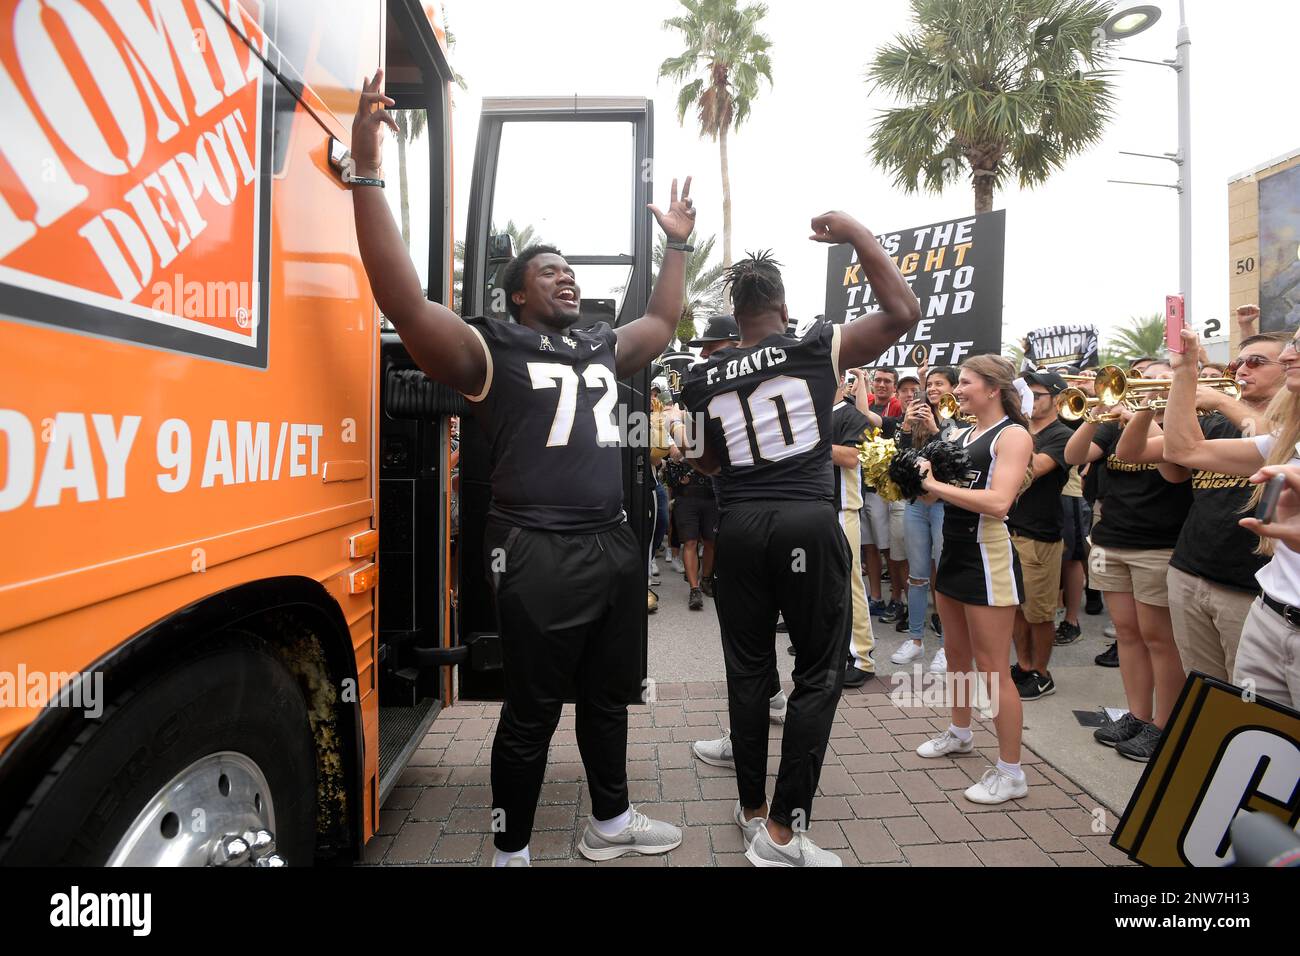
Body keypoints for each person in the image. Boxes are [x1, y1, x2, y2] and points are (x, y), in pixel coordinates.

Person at [349, 71, 697, 864]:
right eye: (549, 269)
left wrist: (675, 243)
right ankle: (511, 850)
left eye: (572, 268)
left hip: (610, 542)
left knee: (608, 698)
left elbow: (666, 319)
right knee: (534, 708)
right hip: (535, 547)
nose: (568, 275)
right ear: (513, 296)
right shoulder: (488, 348)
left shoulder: (603, 343)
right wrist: (368, 173)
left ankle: (609, 824)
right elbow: (403, 303)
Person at [684, 211, 920, 866]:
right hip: (806, 519)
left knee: (748, 670)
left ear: (736, 314)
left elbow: (703, 462)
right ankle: (783, 834)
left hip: (739, 526)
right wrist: (858, 235)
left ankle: (751, 809)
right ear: (782, 309)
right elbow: (903, 310)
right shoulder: (815, 343)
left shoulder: (704, 376)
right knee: (818, 673)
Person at [1116, 333, 1285, 685]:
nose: (1241, 370)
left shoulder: (1285, 429)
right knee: (1204, 686)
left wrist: (1221, 400)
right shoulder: (1210, 422)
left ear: (1287, 370)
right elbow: (1134, 453)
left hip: (1248, 583)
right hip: (1191, 570)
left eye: (1256, 362)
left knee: (1251, 695)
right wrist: (1153, 401)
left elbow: (1280, 442)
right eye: (1239, 362)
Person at [913, 355, 1034, 804]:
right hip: (956, 554)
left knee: (993, 668)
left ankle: (1011, 772)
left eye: (964, 383)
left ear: (992, 388)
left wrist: (934, 487)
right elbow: (934, 499)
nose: (956, 390)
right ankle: (960, 732)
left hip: (989, 559)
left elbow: (999, 502)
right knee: (958, 657)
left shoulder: (1014, 435)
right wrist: (909, 480)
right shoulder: (963, 434)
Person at [1159, 326, 1300, 710]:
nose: (1290, 354)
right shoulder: (1287, 439)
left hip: (1254, 598)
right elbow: (1182, 449)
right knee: (1246, 726)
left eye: (1297, 346)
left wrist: (1218, 399)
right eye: (1290, 345)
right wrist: (1186, 370)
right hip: (1270, 615)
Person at [1063, 365, 1192, 762]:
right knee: (1127, 634)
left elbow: (1174, 471)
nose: (1145, 387)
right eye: (1137, 378)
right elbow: (1074, 455)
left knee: (1159, 639)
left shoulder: (1185, 423)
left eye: (1155, 379)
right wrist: (1095, 414)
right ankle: (1137, 714)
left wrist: (1145, 416)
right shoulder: (1113, 424)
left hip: (1158, 544)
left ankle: (1163, 724)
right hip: (1112, 539)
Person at [1007, 371, 1074, 700]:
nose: (1029, 400)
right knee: (1016, 608)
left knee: (1039, 612)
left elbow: (1032, 468)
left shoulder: (1062, 434)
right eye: (1025, 394)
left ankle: (1042, 672)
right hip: (1011, 529)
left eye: (1038, 395)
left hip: (1039, 535)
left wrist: (1016, 431)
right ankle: (1023, 664)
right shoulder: (1019, 430)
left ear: (1057, 400)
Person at [890, 366, 958, 671]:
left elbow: (957, 456)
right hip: (917, 504)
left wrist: (936, 427)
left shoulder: (961, 419)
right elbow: (897, 458)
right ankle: (916, 640)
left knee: (945, 575)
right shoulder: (916, 417)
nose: (931, 388)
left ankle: (948, 647)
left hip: (945, 506)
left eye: (939, 383)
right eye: (929, 383)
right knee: (917, 575)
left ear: (953, 387)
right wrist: (906, 428)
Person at [830, 373, 879, 689]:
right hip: (818, 508)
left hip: (843, 510)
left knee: (850, 586)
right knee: (826, 588)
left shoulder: (850, 414)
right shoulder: (813, 413)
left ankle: (862, 658)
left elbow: (852, 457)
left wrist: (808, 443)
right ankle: (836, 651)